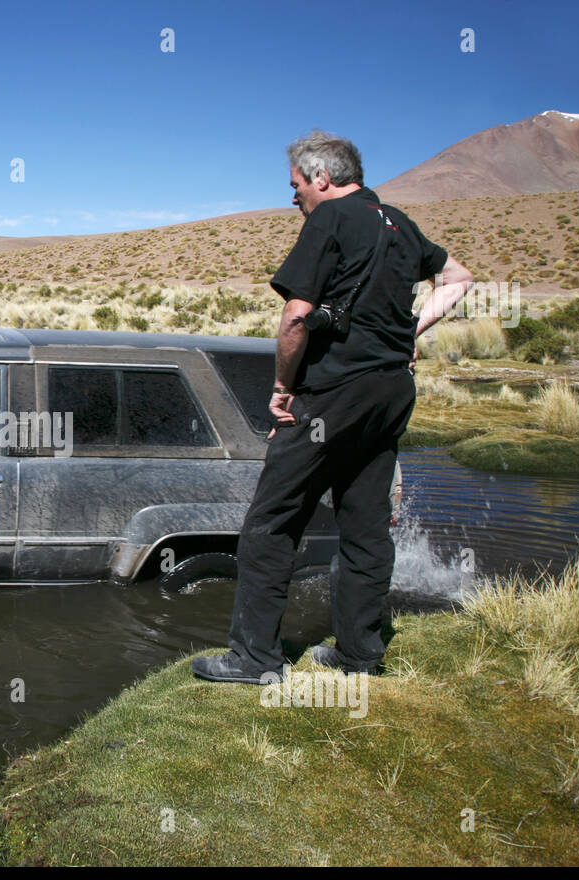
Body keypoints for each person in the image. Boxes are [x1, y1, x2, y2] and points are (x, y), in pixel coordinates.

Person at [192, 130, 473, 684]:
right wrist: (407, 332)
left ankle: (255, 659)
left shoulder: (329, 219)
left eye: (296, 185)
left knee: (272, 522)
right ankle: (359, 654)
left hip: (333, 394)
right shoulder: (398, 222)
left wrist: (282, 387)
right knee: (366, 524)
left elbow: (297, 316)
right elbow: (459, 279)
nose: (293, 196)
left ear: (322, 178)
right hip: (391, 390)